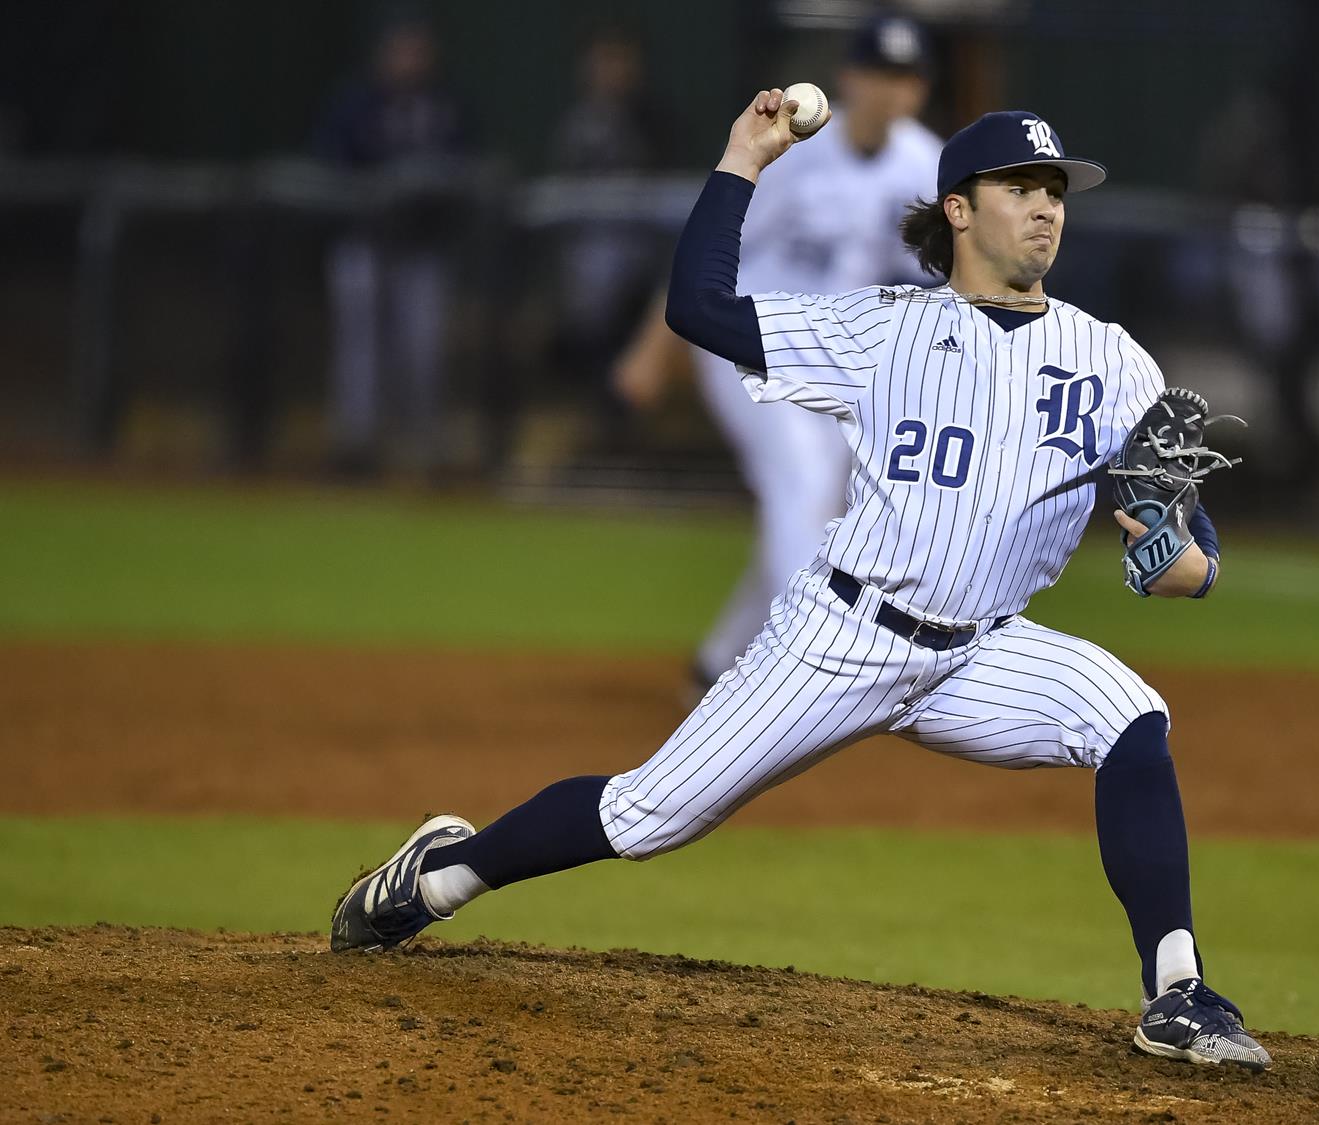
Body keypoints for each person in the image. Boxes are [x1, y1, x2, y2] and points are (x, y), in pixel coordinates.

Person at [331, 89, 1269, 1072]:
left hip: (982, 649)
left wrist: (1175, 560)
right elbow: (695, 309)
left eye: (1057, 190)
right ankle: (442, 874)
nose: (1046, 206)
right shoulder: (882, 331)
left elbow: (1187, 551)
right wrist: (744, 155)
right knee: (647, 814)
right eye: (1020, 186)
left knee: (1128, 714)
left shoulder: (1114, 361)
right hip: (841, 634)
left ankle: (1177, 991)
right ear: (958, 207)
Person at [613, 16, 941, 698]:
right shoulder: (797, 149)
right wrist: (651, 348)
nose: (890, 92)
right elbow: (708, 240)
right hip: (747, 336)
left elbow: (949, 279)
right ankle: (806, 667)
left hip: (835, 354)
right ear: (849, 78)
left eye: (905, 79)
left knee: (830, 505)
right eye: (879, 74)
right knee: (800, 480)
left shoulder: (924, 166)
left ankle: (716, 665)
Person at [312, 15, 473, 476]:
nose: (409, 60)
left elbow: (465, 169)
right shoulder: (354, 103)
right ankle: (355, 448)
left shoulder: (446, 105)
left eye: (417, 50)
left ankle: (423, 451)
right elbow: (329, 165)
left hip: (423, 249)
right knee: (358, 350)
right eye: (401, 50)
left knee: (423, 349)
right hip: (363, 243)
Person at [546, 27, 672, 451]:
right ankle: (594, 430)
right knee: (589, 338)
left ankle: (627, 432)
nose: (610, 71)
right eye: (602, 61)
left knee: (632, 333)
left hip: (642, 248)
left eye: (619, 60)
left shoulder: (652, 118)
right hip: (590, 250)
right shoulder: (578, 120)